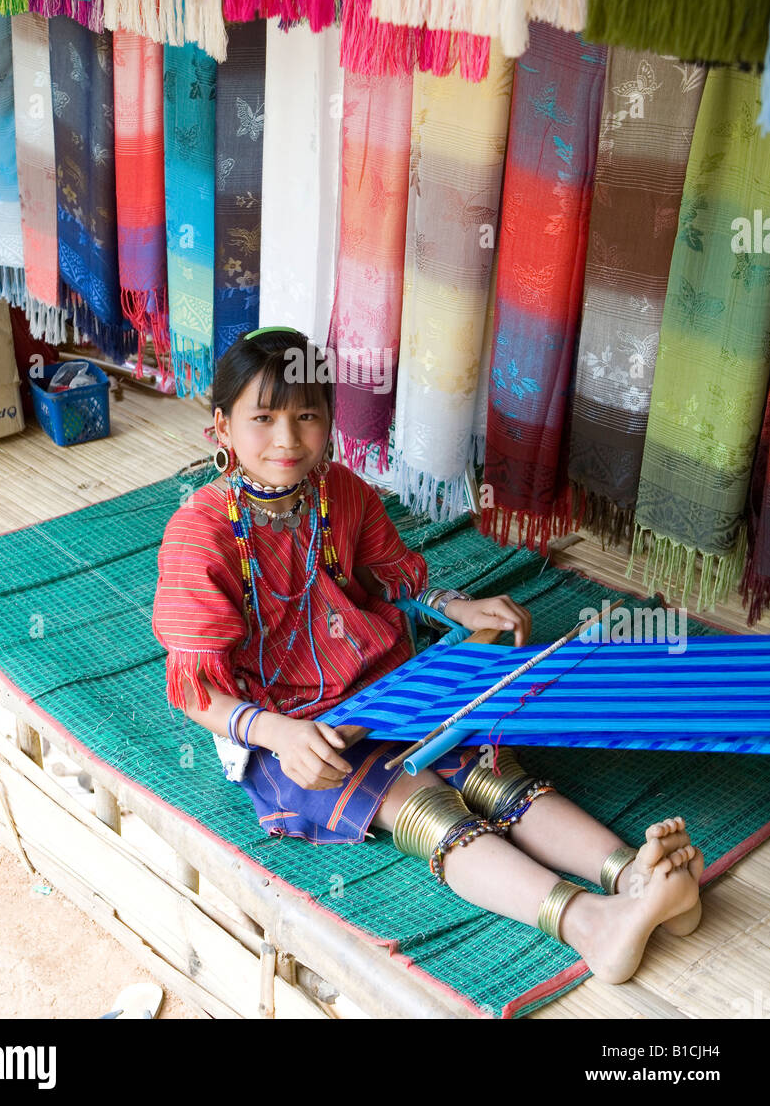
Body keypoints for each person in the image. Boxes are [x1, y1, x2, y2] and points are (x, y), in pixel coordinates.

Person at [153, 326, 704, 984]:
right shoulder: (200, 533)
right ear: (221, 426)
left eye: (307, 415)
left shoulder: (342, 492)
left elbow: (395, 578)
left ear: (329, 419)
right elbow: (193, 689)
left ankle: (635, 876)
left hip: (387, 691)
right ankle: (589, 922)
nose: (287, 439)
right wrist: (280, 734)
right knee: (425, 805)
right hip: (292, 730)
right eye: (262, 418)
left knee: (490, 773)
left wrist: (458, 609)